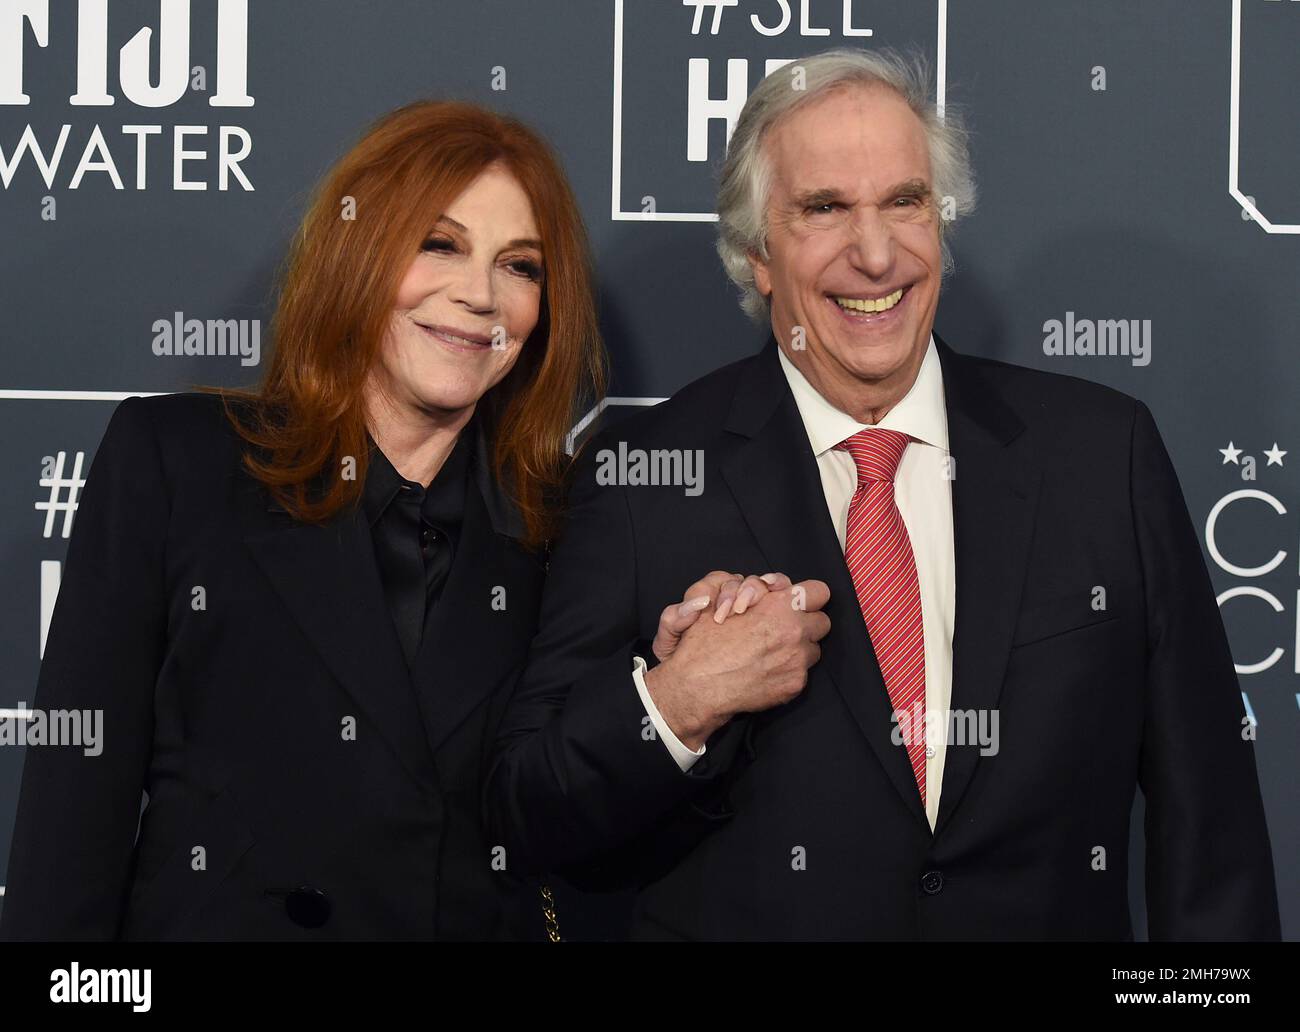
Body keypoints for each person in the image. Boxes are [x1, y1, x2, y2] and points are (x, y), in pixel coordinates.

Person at [486, 49, 1282, 940]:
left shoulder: (1103, 453)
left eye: (904, 202)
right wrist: (678, 703)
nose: (875, 253)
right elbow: (528, 809)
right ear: (756, 253)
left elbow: (1210, 827)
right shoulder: (644, 475)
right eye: (824, 209)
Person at [1, 99, 614, 940]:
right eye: (438, 244)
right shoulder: (177, 463)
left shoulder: (568, 524)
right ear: (356, 253)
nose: (480, 296)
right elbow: (71, 824)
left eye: (521, 267)